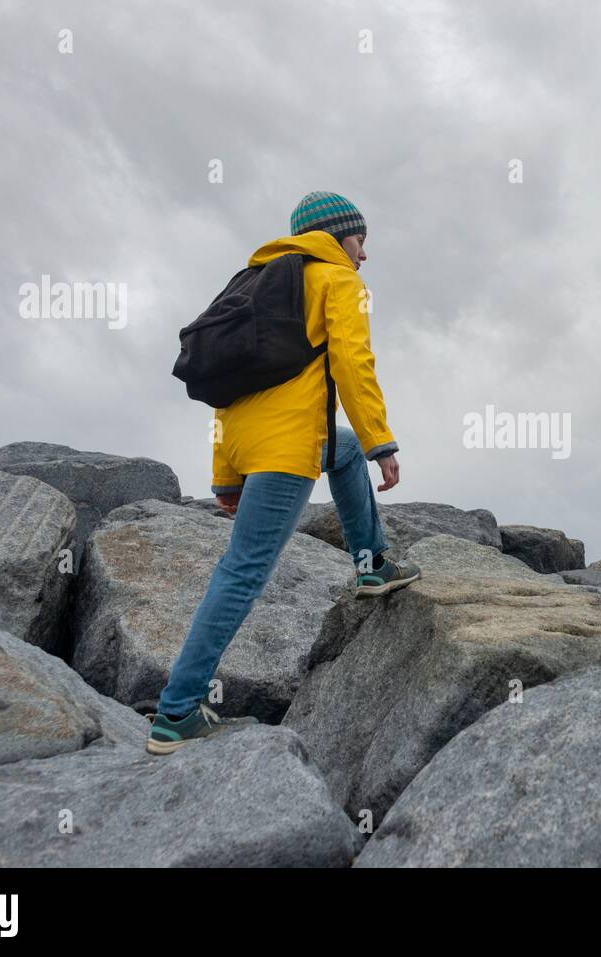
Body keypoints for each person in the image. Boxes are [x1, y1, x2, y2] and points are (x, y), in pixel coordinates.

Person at [147, 190, 420, 755]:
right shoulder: (336, 279)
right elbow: (353, 364)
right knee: (243, 571)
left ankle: (372, 563)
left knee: (339, 450)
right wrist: (381, 442)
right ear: (338, 236)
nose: (365, 255)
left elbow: (228, 388)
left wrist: (224, 473)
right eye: (361, 240)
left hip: (251, 444)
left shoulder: (257, 281)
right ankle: (176, 710)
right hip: (286, 449)